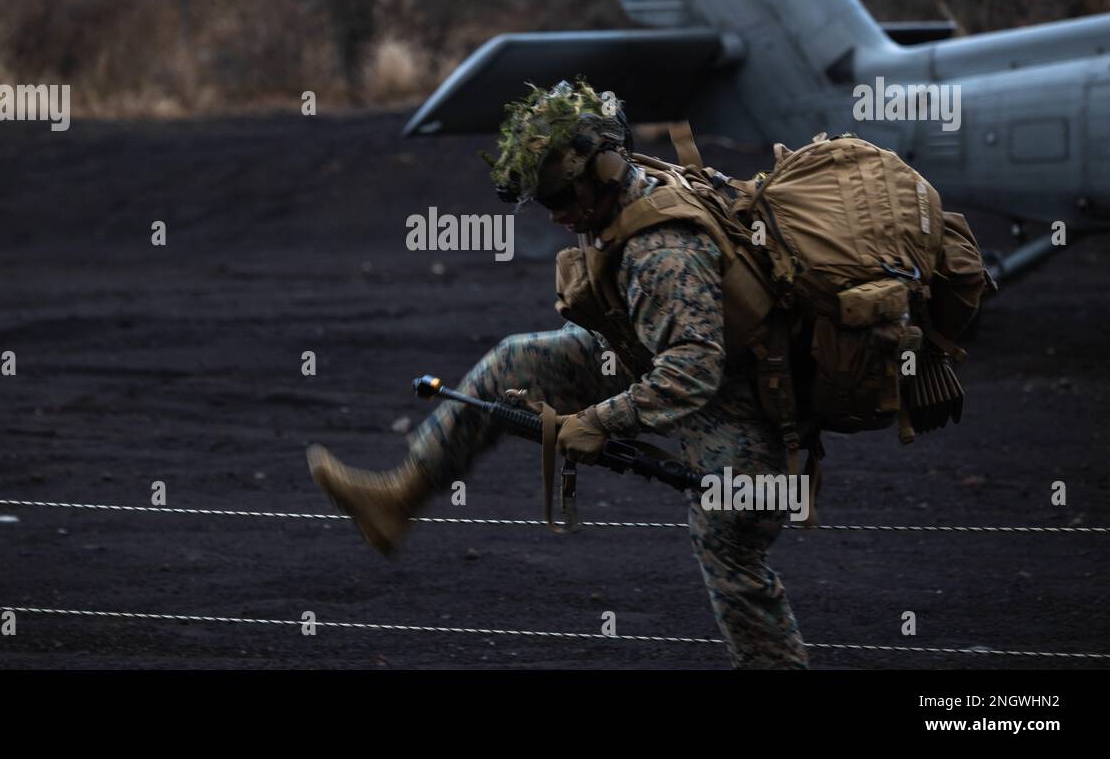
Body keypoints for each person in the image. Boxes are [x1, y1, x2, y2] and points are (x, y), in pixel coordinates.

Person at [307, 79, 808, 668]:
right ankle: (398, 499)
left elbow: (694, 372)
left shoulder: (664, 251)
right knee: (518, 361)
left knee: (728, 542)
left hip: (739, 398)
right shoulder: (619, 202)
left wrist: (599, 421)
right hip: (651, 356)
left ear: (603, 170)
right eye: (548, 205)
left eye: (563, 200)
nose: (559, 218)